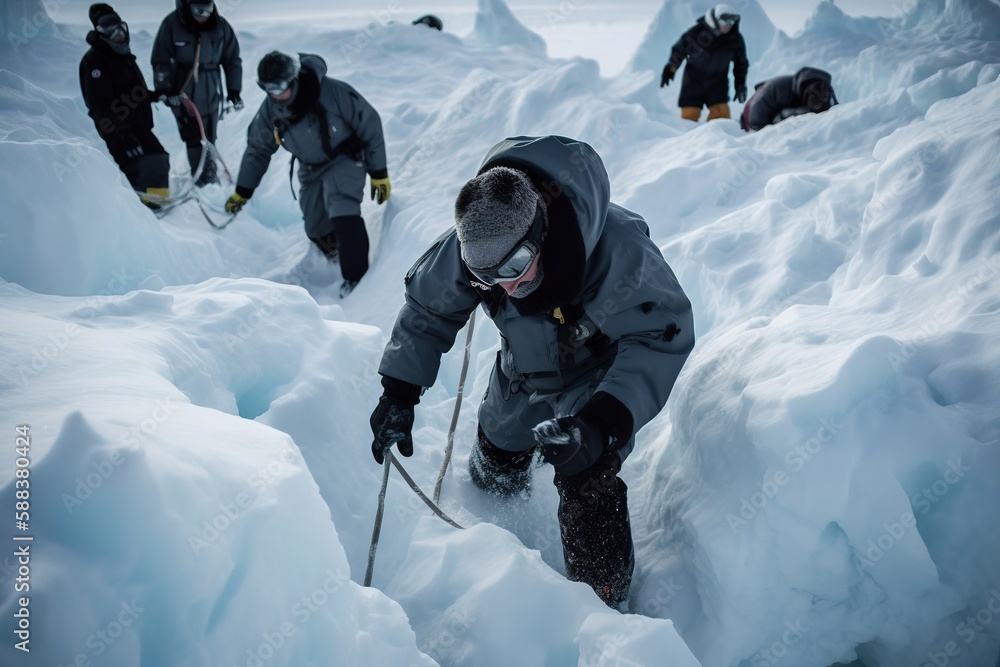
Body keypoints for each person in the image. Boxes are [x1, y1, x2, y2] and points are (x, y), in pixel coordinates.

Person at [368, 136, 694, 608]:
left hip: (596, 380)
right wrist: (398, 391)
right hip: (521, 372)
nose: (509, 285)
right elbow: (428, 311)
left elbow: (661, 336)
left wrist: (602, 424)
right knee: (495, 465)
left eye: (518, 265)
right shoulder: (477, 243)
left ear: (540, 230)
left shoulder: (617, 250)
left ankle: (602, 603)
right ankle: (501, 520)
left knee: (586, 479)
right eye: (488, 277)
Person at [225, 51, 391, 297]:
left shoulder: (332, 92)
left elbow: (369, 122)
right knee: (315, 226)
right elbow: (257, 150)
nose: (274, 94)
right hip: (310, 166)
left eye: (279, 87)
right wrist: (242, 191)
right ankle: (334, 257)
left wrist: (379, 172)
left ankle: (356, 280)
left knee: (343, 210)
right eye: (267, 88)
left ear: (293, 79)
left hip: (344, 157)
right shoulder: (272, 109)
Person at [79, 3, 170, 206]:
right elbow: (99, 105)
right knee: (136, 166)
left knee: (158, 157)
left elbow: (133, 91)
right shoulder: (95, 61)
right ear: (102, 33)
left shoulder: (121, 54)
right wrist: (124, 135)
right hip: (118, 131)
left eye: (121, 29)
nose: (119, 35)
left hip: (137, 125)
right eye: (112, 32)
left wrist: (158, 96)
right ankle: (139, 211)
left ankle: (157, 203)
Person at [151, 0, 242, 186]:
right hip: (183, 91)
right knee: (193, 136)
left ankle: (210, 174)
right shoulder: (172, 24)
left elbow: (232, 59)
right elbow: (161, 59)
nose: (204, 15)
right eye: (198, 10)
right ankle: (203, 180)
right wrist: (166, 90)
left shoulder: (221, 26)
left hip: (212, 89)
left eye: (208, 10)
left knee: (209, 134)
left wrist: (234, 90)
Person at [660, 3, 748, 123]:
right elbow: (680, 51)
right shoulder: (697, 33)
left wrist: (740, 83)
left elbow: (740, 63)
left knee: (722, 119)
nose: (728, 25)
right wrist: (671, 68)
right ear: (716, 19)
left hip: (718, 83)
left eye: (732, 21)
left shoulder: (735, 40)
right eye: (724, 20)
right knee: (688, 118)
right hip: (693, 81)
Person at [740, 66, 837, 132]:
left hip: (767, 103)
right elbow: (756, 116)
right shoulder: (781, 90)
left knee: (803, 113)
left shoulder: (824, 91)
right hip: (751, 113)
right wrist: (758, 132)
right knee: (798, 113)